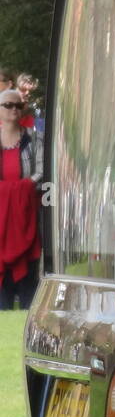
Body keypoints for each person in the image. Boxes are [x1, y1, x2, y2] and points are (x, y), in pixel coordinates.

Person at [0, 88, 43, 309]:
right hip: (0, 221)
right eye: (8, 105)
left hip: (26, 217)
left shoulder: (34, 138)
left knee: (28, 280)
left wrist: (24, 186)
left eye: (18, 106)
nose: (14, 110)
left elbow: (41, 169)